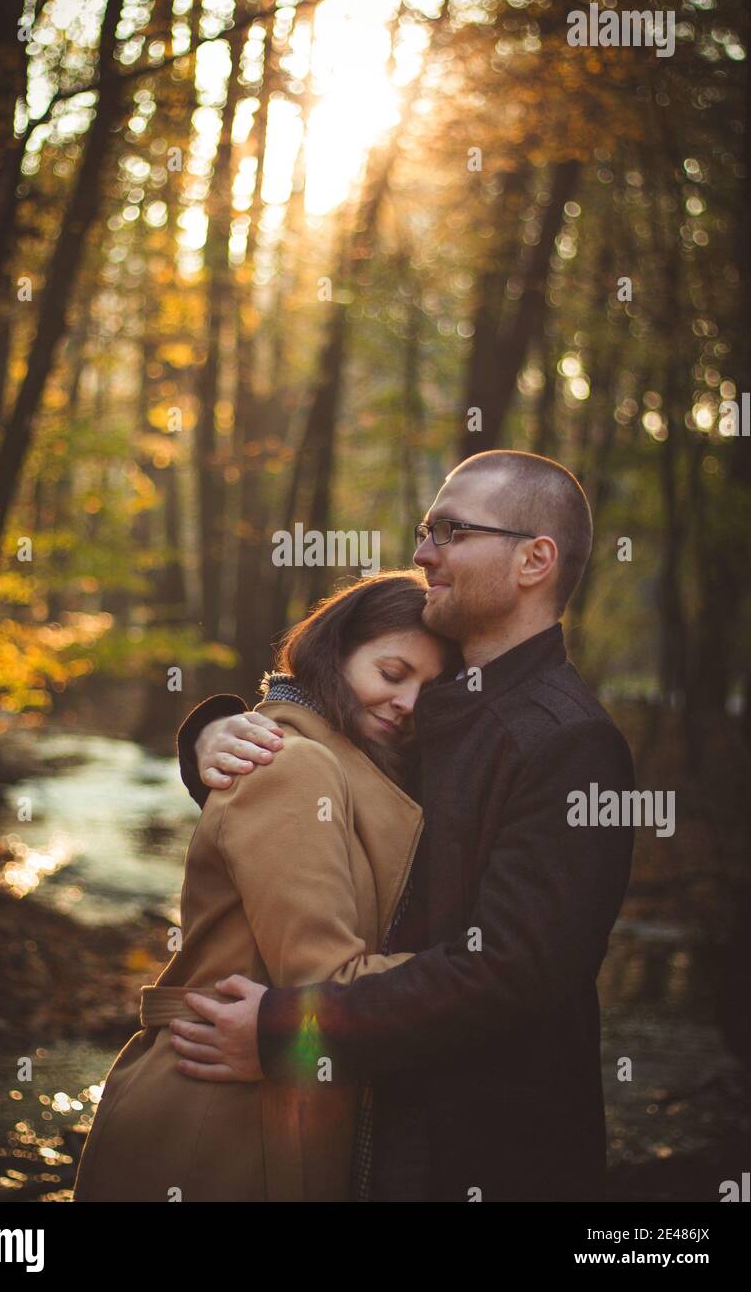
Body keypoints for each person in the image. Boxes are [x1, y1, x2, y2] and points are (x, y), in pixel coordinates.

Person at [170, 449, 636, 1202]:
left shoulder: (568, 740)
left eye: (451, 531)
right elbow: (314, 794)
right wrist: (212, 737)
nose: (423, 553)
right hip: (374, 1131)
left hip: (488, 1153)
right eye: (426, 529)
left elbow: (514, 973)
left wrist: (286, 1032)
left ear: (534, 560)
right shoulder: (439, 709)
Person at [72, 571, 451, 1202]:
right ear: (335, 655)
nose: (408, 702)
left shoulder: (360, 769)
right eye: (391, 673)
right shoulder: (293, 764)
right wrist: (488, 981)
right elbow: (322, 979)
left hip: (268, 1107)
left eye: (428, 690)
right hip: (215, 1124)